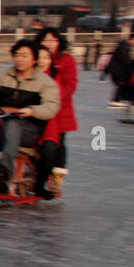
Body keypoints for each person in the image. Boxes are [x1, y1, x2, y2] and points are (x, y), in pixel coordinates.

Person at [0, 39, 59, 191]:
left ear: (34, 59)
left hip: (30, 128)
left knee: (13, 125)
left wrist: (31, 110)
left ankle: (7, 170)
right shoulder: (4, 76)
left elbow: (51, 107)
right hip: (5, 123)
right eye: (16, 55)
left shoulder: (45, 82)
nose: (19, 59)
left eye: (24, 56)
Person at [33, 27, 78, 198]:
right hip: (36, 109)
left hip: (60, 110)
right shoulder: (33, 58)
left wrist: (54, 99)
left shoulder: (66, 60)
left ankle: (57, 177)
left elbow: (70, 84)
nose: (49, 44)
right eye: (45, 40)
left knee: (58, 143)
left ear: (59, 42)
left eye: (52, 40)